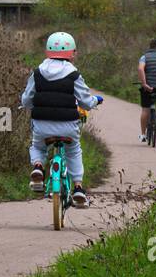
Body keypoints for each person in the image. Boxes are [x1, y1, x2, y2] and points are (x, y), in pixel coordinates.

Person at [20, 31, 102, 208]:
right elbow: (86, 102)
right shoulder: (74, 75)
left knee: (37, 145)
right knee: (74, 151)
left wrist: (28, 106)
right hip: (68, 126)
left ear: (47, 51)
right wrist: (96, 101)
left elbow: (26, 99)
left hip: (42, 125)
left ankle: (38, 167)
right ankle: (78, 188)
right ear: (72, 53)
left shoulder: (38, 72)